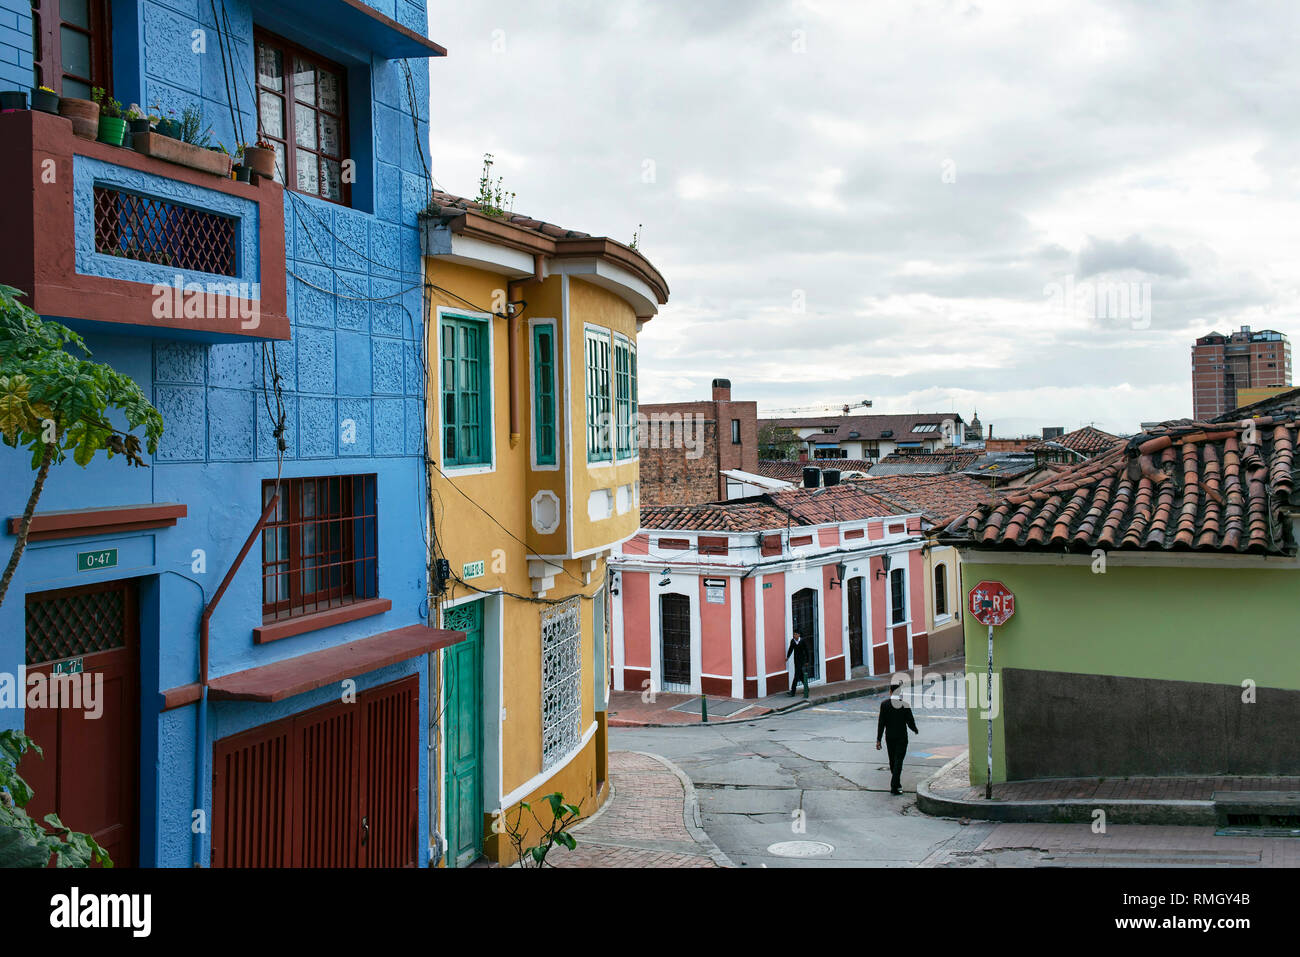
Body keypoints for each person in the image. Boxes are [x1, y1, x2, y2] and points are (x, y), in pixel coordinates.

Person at [876, 680, 918, 795]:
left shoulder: (884, 705)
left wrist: (878, 740)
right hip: (902, 738)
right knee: (898, 761)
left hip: (889, 738)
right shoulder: (905, 705)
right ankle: (895, 785)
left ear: (890, 692)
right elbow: (910, 721)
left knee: (893, 762)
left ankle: (896, 785)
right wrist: (915, 729)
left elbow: (881, 723)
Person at [786, 630, 811, 698]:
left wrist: (807, 661)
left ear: (799, 635)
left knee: (796, 675)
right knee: (800, 675)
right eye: (794, 634)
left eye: (796, 634)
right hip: (796, 660)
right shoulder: (793, 641)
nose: (795, 635)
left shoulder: (802, 641)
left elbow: (806, 651)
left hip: (802, 660)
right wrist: (788, 656)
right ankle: (807, 688)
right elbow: (790, 649)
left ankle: (793, 691)